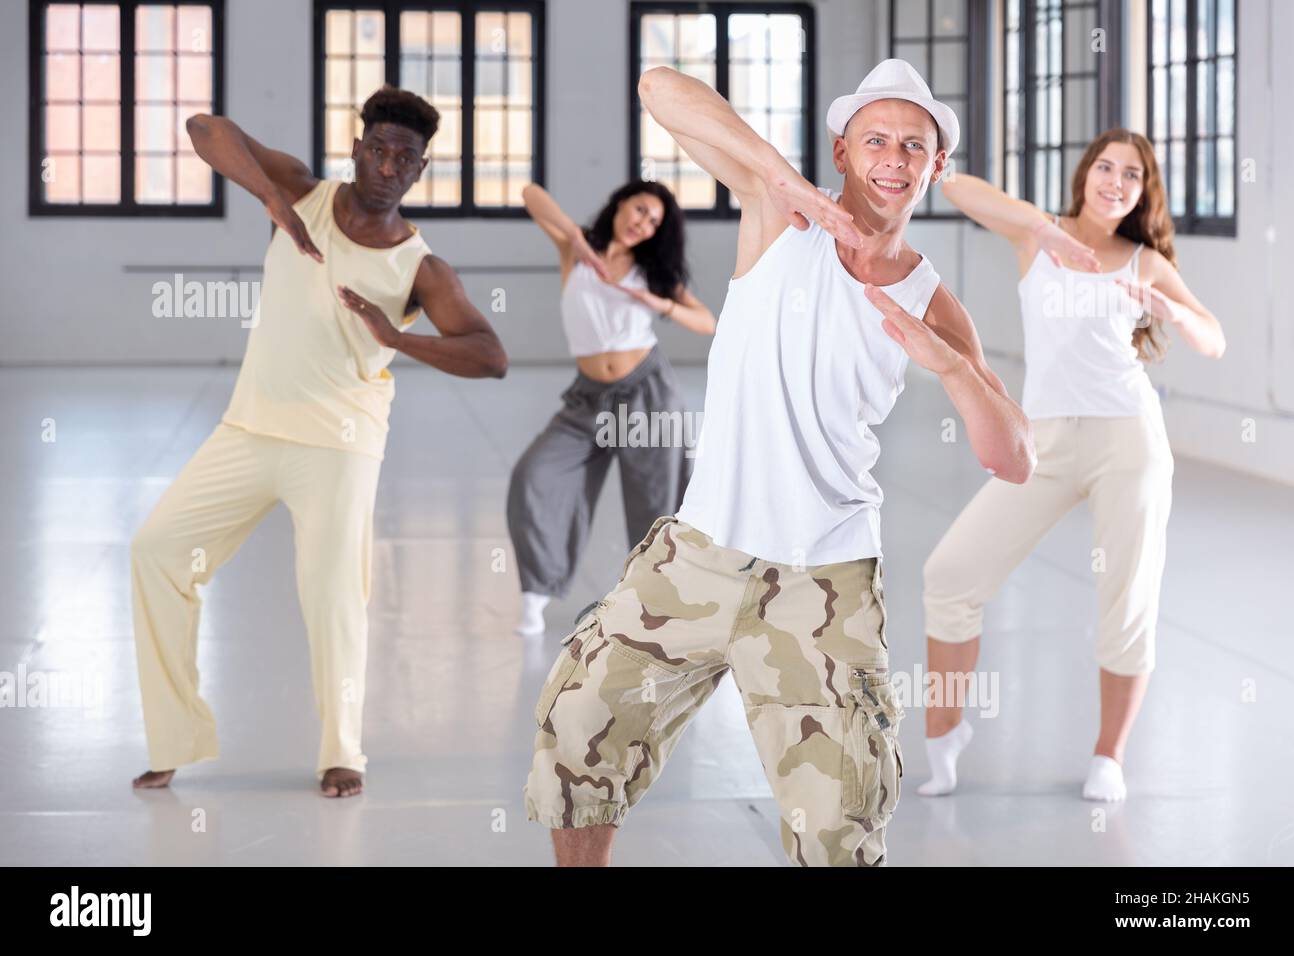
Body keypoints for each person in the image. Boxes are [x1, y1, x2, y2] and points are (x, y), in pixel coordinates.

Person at [522, 59, 1034, 866]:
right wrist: (779, 178)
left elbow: (1013, 457)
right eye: (875, 140)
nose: (894, 159)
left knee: (839, 823)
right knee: (580, 728)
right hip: (699, 548)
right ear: (842, 152)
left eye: (913, 145)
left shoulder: (935, 301)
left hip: (822, 578)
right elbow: (657, 85)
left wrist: (954, 366)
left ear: (936, 167)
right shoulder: (776, 215)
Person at [130, 86, 508, 798]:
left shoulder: (420, 268)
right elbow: (204, 126)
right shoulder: (300, 192)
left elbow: (491, 355)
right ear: (357, 148)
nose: (389, 165)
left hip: (339, 445)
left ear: (419, 172)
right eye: (379, 149)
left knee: (334, 595)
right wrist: (272, 203)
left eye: (407, 158)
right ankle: (174, 738)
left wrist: (398, 337)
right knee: (156, 552)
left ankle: (343, 753)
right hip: (248, 427)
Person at [919, 129, 1226, 803]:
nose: (1116, 182)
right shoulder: (1039, 237)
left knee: (1128, 603)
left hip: (1129, 443)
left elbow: (1213, 339)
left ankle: (1108, 755)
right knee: (950, 575)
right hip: (1046, 440)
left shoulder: (1142, 262)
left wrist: (1173, 308)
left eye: (1133, 176)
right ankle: (944, 735)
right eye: (1106, 167)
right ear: (1085, 174)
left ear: (1144, 193)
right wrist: (1039, 224)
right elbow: (957, 187)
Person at [508, 180, 716, 636]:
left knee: (654, 503)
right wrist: (577, 238)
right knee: (535, 475)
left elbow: (707, 322)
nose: (643, 223)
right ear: (620, 203)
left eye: (654, 221)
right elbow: (530, 194)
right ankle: (537, 591)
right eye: (639, 209)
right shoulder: (575, 251)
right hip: (588, 398)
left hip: (647, 395)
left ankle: (660, 604)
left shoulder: (652, 272)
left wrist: (655, 300)